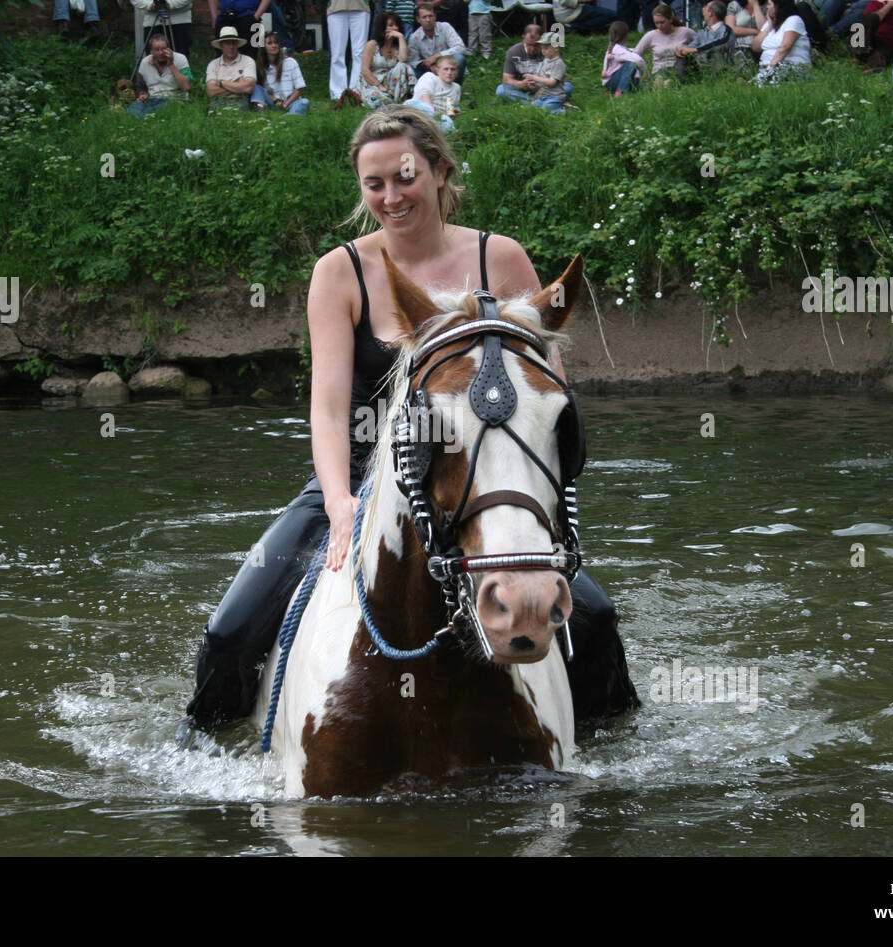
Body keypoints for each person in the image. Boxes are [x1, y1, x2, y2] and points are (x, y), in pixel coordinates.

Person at [184, 105, 640, 733]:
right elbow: (327, 405)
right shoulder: (340, 272)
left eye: (405, 177)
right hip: (360, 483)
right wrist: (340, 503)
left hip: (476, 481)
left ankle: (602, 742)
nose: (391, 196)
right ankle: (203, 752)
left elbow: (547, 389)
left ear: (440, 171)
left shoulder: (501, 258)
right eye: (375, 184)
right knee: (231, 632)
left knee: (596, 620)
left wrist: (542, 503)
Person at [497, 22, 574, 103]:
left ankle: (534, 102)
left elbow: (562, 79)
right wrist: (520, 84)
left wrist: (540, 86)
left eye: (536, 45)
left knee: (568, 87)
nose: (532, 49)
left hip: (546, 89)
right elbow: (506, 80)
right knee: (501, 90)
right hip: (522, 89)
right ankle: (545, 102)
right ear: (523, 38)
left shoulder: (549, 51)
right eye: (529, 45)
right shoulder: (513, 51)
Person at [354, 12, 417, 105]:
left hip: (392, 81)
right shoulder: (372, 45)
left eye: (396, 25)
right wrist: (380, 86)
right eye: (390, 25)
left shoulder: (399, 45)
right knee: (378, 100)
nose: (395, 28)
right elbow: (365, 70)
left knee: (403, 66)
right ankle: (394, 99)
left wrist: (401, 37)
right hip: (372, 82)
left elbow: (403, 59)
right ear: (382, 28)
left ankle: (400, 97)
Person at [128, 32, 192, 116]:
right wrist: (142, 94)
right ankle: (146, 117)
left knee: (159, 109)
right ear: (151, 51)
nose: (160, 52)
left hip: (174, 100)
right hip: (152, 99)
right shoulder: (145, 62)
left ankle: (146, 117)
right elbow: (141, 87)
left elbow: (186, 87)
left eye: (163, 49)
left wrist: (171, 65)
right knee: (132, 109)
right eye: (157, 49)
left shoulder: (181, 59)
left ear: (169, 49)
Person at [633, 3, 698, 83]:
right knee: (661, 79)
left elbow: (700, 44)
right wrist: (642, 72)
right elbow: (635, 54)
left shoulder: (685, 32)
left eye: (662, 22)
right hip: (660, 70)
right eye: (656, 23)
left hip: (679, 69)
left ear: (670, 19)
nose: (660, 26)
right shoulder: (651, 35)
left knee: (670, 80)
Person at [751, 0, 812, 84]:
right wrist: (769, 26)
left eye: (769, 4)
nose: (767, 7)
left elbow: (785, 48)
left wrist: (768, 71)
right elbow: (756, 47)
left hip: (790, 68)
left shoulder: (794, 20)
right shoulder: (770, 24)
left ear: (778, 6)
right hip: (770, 71)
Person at [251, 31, 311, 112]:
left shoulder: (290, 62)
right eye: (270, 43)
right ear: (263, 47)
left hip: (291, 101)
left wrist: (286, 104)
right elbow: (262, 90)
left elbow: (300, 88)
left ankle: (288, 117)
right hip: (273, 102)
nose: (274, 46)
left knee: (304, 102)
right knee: (257, 88)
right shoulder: (261, 66)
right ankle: (260, 112)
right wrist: (275, 100)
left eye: (276, 43)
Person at [675, 0, 736, 77]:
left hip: (720, 66)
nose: (703, 9)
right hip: (702, 66)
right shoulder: (703, 32)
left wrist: (697, 50)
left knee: (717, 53)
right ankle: (682, 83)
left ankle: (717, 81)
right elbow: (693, 45)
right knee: (682, 54)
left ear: (711, 13)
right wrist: (683, 49)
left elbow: (719, 43)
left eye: (706, 7)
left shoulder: (726, 30)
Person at [409, 3, 468, 79]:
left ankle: (453, 87)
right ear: (418, 19)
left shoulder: (445, 27)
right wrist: (430, 66)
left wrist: (437, 56)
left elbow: (460, 47)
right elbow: (413, 61)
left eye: (430, 16)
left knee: (459, 58)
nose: (428, 20)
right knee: (410, 68)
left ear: (435, 16)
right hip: (428, 70)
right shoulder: (414, 38)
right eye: (424, 17)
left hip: (448, 66)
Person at [206, 25, 258, 110]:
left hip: (241, 101)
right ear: (221, 45)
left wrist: (221, 83)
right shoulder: (213, 64)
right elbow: (211, 91)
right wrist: (238, 84)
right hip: (218, 101)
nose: (231, 46)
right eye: (227, 43)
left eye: (234, 43)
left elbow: (248, 88)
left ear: (237, 45)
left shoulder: (248, 61)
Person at [328, 0, 373, 99]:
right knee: (337, 54)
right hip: (335, 7)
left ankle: (357, 90)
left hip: (361, 6)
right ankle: (337, 93)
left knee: (360, 53)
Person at [406, 54, 462, 130]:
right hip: (419, 107)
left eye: (452, 69)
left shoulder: (456, 87)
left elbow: (451, 107)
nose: (449, 72)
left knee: (447, 122)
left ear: (457, 72)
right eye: (446, 69)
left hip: (439, 115)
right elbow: (424, 95)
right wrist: (433, 114)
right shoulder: (430, 77)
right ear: (438, 70)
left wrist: (455, 113)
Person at [852, 1, 893, 71]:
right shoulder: (875, 3)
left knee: (879, 59)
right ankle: (859, 56)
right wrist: (889, 6)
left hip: (887, 43)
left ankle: (869, 68)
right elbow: (868, 21)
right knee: (871, 18)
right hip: (871, 37)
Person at [528, 31, 571, 112]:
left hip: (555, 96)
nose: (543, 51)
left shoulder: (558, 63)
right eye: (542, 48)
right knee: (532, 108)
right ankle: (560, 106)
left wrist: (535, 77)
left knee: (546, 109)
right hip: (543, 96)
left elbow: (552, 82)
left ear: (556, 47)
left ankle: (564, 111)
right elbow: (543, 80)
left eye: (546, 48)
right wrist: (535, 83)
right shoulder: (546, 61)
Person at [602, 19, 647, 94]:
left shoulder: (617, 48)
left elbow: (628, 52)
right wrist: (646, 74)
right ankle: (620, 91)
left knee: (641, 85)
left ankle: (615, 91)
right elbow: (638, 60)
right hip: (611, 81)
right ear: (626, 36)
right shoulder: (617, 50)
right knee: (631, 64)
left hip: (613, 81)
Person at [554, 0, 621, 34]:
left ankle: (575, 28)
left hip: (565, 14)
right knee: (612, 15)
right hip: (571, 13)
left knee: (599, 14)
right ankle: (578, 28)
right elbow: (566, 1)